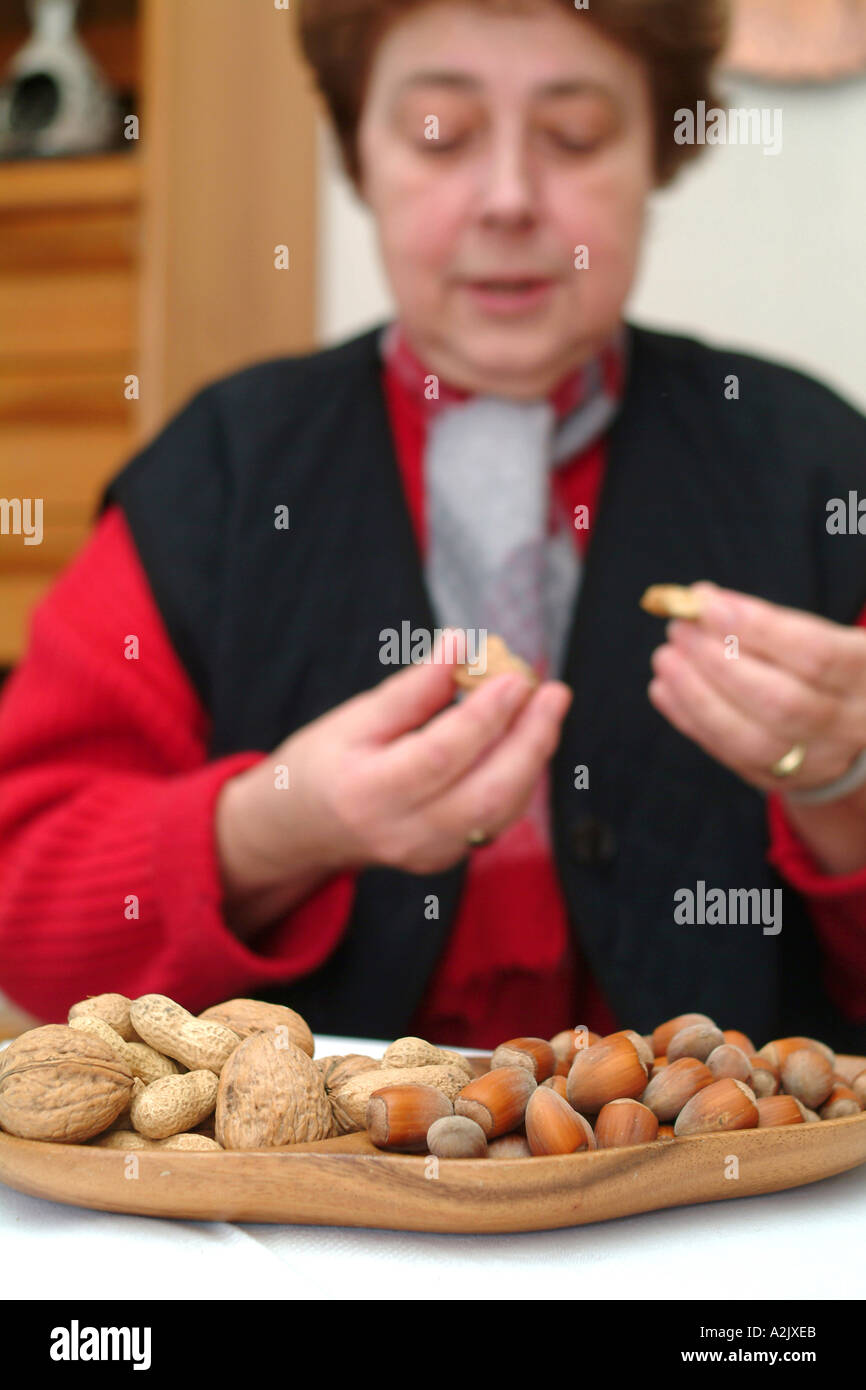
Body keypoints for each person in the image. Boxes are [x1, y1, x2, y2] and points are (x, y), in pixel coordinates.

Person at [1, 0, 865, 1051]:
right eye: (438, 137)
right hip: (305, 1211)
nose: (506, 199)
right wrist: (279, 823)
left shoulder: (811, 462)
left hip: (739, 1202)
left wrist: (839, 781)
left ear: (658, 155)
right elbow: (26, 909)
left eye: (575, 137)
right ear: (359, 156)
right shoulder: (221, 472)